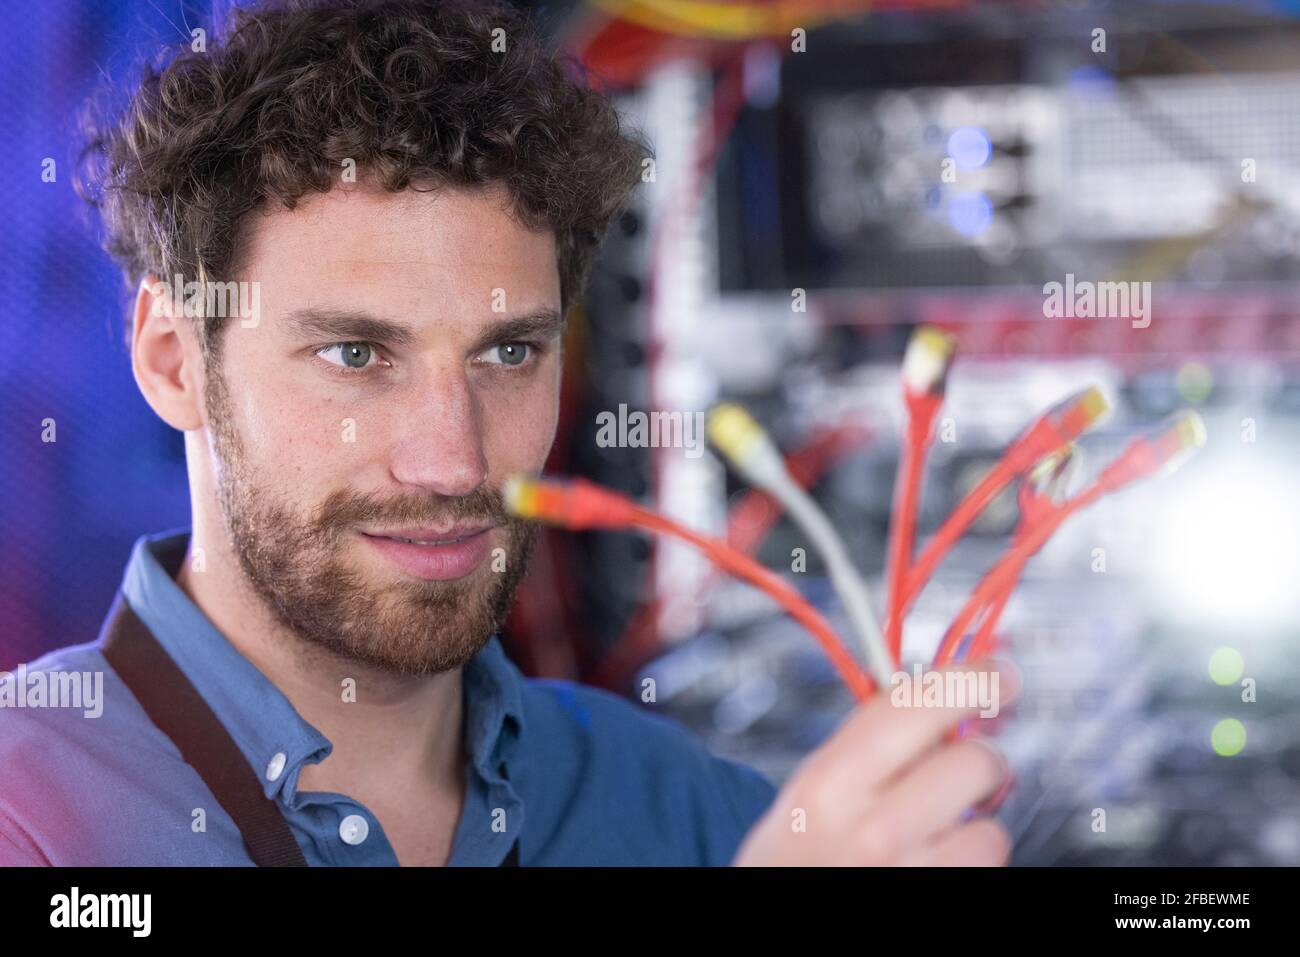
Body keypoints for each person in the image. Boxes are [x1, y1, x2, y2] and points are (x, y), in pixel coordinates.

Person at [0, 0, 1014, 866]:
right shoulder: (31, 807)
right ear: (174, 359)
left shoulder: (681, 806)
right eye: (356, 355)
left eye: (507, 355)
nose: (452, 462)